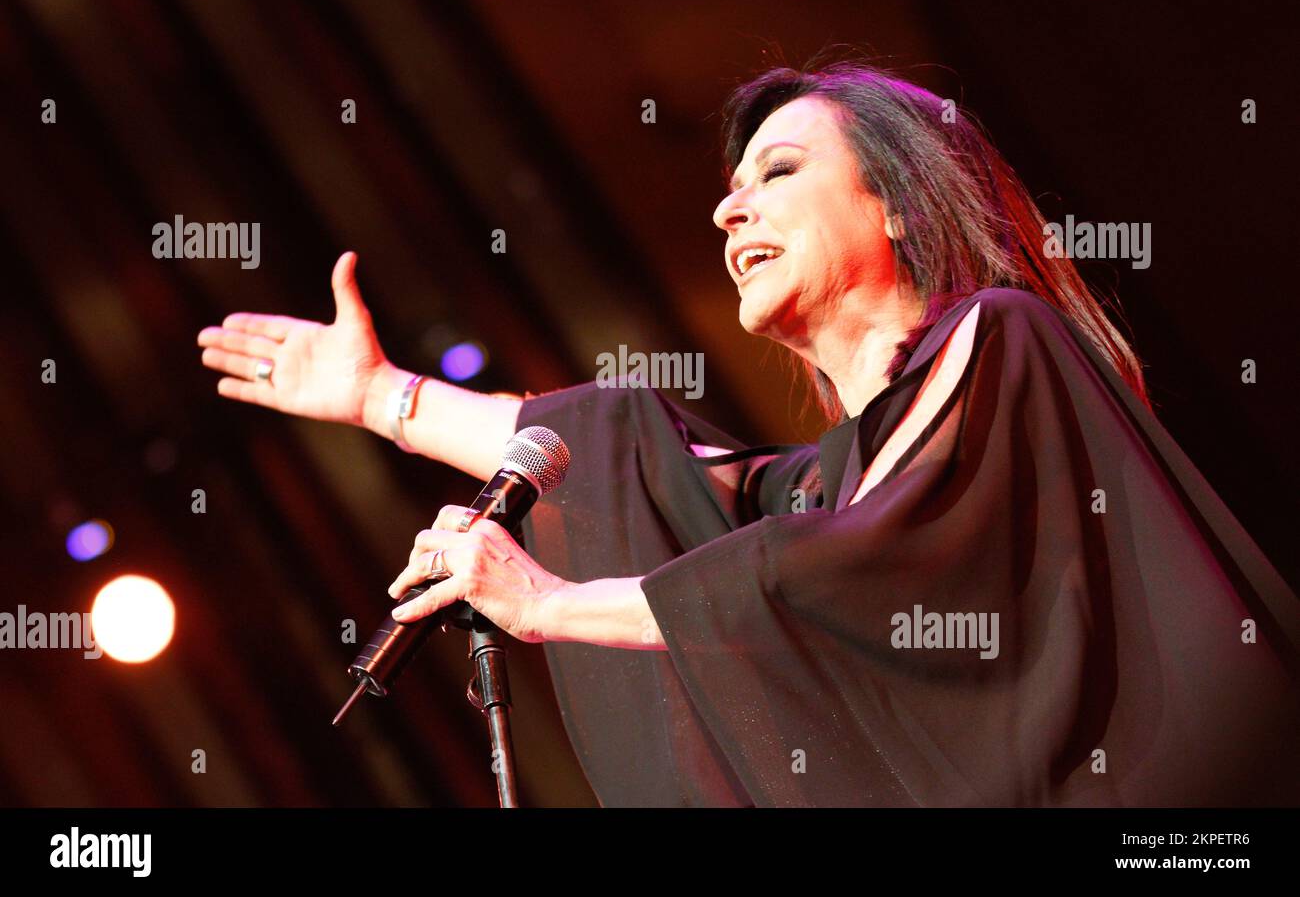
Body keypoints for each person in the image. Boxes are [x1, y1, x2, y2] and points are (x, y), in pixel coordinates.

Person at [198, 61, 1300, 807]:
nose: (729, 211)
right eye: (727, 191)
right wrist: (384, 396)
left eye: (775, 174)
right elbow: (637, 461)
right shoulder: (830, 486)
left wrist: (544, 602)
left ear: (900, 202)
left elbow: (835, 569)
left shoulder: (1002, 343)